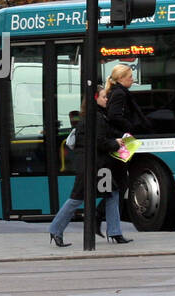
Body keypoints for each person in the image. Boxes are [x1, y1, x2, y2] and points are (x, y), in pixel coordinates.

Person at [48, 93, 131, 246]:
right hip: (93, 166)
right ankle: (55, 230)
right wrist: (116, 143)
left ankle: (115, 232)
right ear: (95, 98)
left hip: (94, 165)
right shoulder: (97, 118)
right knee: (76, 198)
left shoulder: (92, 116)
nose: (107, 99)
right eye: (104, 97)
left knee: (112, 194)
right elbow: (99, 142)